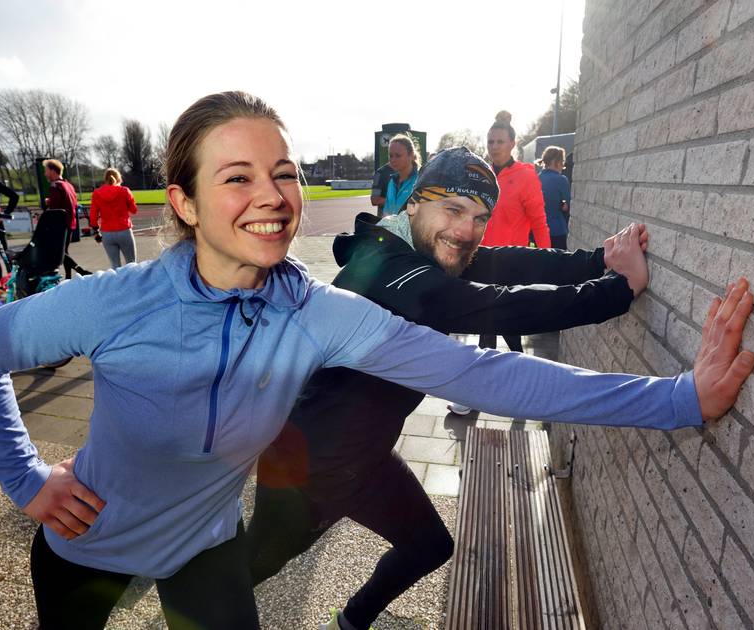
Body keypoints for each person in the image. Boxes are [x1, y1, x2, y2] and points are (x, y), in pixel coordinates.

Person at [0, 91, 754, 630]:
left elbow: (487, 372)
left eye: (283, 173)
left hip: (204, 550)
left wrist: (679, 398)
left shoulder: (315, 313)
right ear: (185, 203)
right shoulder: (116, 302)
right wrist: (26, 479)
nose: (271, 195)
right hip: (88, 542)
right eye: (236, 177)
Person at [247, 148, 649, 630]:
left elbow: (504, 263)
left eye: (479, 217)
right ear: (415, 203)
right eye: (453, 209)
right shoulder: (395, 272)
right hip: (312, 469)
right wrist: (618, 290)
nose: (465, 230)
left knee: (429, 546)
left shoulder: (416, 248)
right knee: (250, 567)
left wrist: (596, 260)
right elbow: (502, 305)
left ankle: (349, 623)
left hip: (365, 456)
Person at [457, 110, 551, 388]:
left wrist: (547, 261)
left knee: (508, 326)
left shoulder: (526, 175)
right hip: (480, 260)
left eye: (500, 141)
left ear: (512, 143)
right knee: (486, 323)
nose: (494, 146)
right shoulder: (480, 175)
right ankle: (481, 389)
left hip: (511, 262)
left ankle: (521, 379)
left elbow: (539, 222)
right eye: (490, 141)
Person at [88, 168, 138, 268]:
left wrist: (96, 231)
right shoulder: (124, 191)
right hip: (124, 230)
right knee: (131, 264)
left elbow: (93, 216)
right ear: (119, 178)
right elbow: (134, 210)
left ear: (105, 179)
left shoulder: (97, 193)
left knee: (115, 266)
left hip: (107, 233)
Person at [41, 159, 81, 278]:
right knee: (64, 251)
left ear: (53, 171)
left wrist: (48, 206)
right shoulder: (68, 185)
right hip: (70, 222)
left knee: (58, 251)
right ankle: (69, 277)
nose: (45, 174)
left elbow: (55, 208)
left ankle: (80, 270)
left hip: (59, 224)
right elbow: (71, 203)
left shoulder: (55, 186)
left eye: (46, 171)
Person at [537, 145, 572, 250]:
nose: (563, 165)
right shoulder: (561, 180)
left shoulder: (536, 178)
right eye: (562, 161)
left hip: (538, 230)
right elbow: (568, 205)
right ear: (556, 161)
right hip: (557, 230)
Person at [377, 134, 419, 216]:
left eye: (398, 155)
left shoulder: (420, 180)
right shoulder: (392, 182)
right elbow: (387, 213)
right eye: (391, 156)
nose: (393, 160)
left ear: (411, 155)